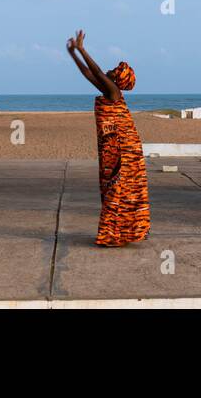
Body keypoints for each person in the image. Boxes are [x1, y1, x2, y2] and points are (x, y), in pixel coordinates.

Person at [66, 30, 150, 247]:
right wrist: (73, 54)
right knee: (114, 190)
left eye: (114, 70)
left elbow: (95, 71)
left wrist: (82, 49)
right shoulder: (107, 91)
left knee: (118, 191)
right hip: (113, 146)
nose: (110, 70)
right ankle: (121, 234)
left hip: (123, 147)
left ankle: (115, 235)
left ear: (117, 79)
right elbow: (88, 74)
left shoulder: (113, 92)